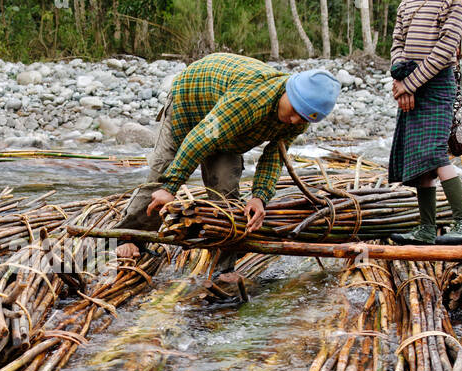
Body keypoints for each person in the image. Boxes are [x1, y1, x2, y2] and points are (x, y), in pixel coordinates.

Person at [114, 53, 341, 264]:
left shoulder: (297, 121)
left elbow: (273, 157)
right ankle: (128, 237)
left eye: (301, 118)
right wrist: (171, 186)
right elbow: (202, 137)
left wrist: (259, 197)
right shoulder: (250, 99)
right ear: (287, 91)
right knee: (161, 180)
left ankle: (222, 266)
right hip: (189, 105)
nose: (292, 120)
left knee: (227, 196)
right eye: (293, 110)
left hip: (230, 130)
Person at [387, 0, 462, 246]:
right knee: (419, 161)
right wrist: (400, 82)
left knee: (436, 153)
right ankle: (426, 229)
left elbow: (444, 49)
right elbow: (396, 43)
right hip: (410, 83)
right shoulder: (408, 0)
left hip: (437, 85)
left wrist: (410, 83)